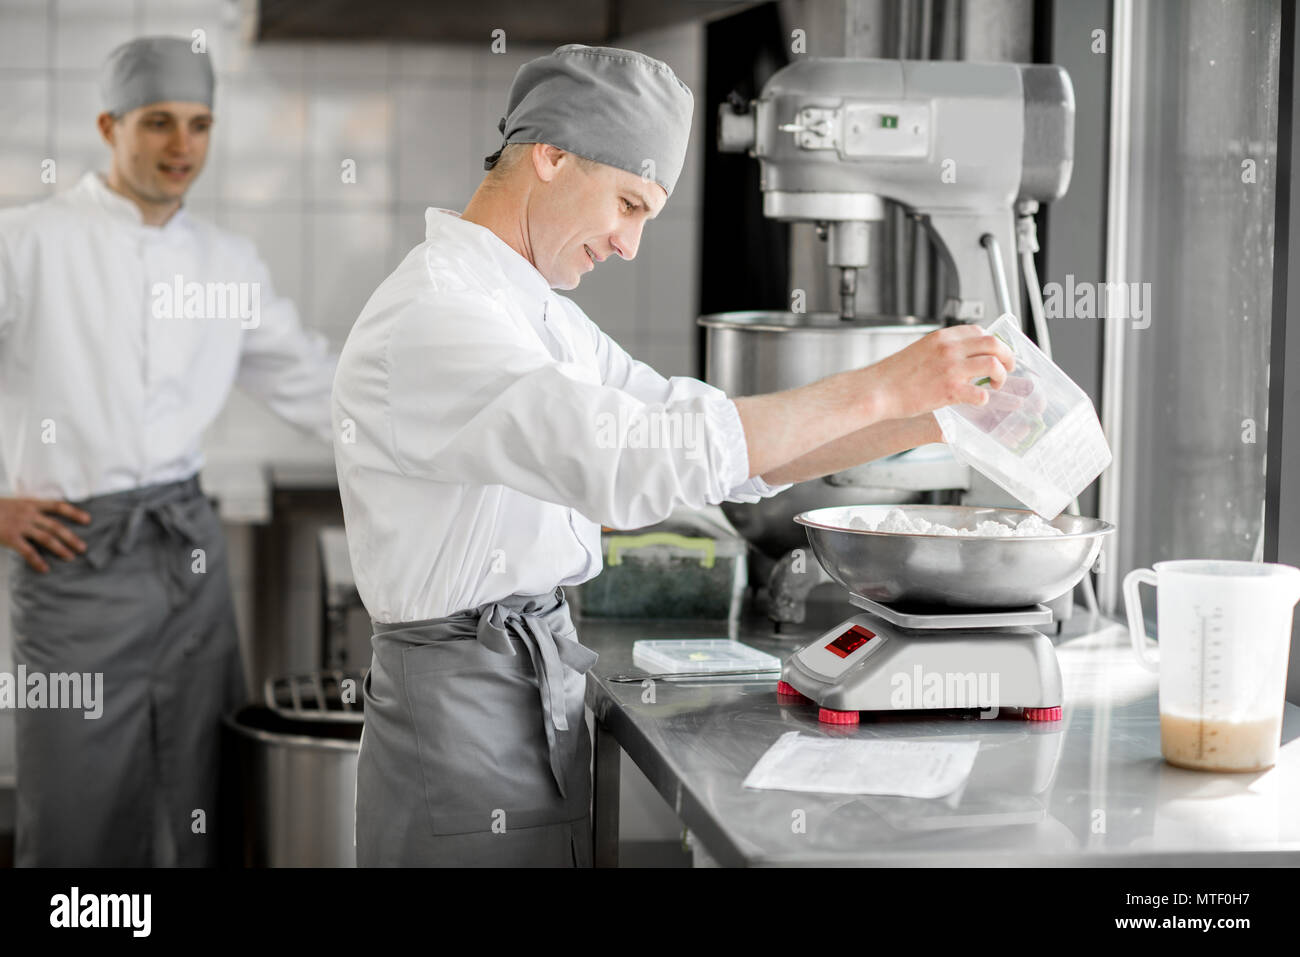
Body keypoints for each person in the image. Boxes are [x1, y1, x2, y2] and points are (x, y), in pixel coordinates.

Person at [332, 43, 1014, 867]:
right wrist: (879, 386)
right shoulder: (438, 315)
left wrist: (932, 419)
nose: (629, 244)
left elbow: (700, 433)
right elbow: (630, 461)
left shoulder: (531, 309)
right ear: (550, 155)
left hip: (524, 686)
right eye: (627, 204)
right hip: (462, 712)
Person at [0, 36, 338, 866]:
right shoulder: (27, 243)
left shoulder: (228, 263)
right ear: (109, 125)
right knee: (76, 799)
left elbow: (321, 386)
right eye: (158, 123)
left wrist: (460, 438)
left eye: (199, 124)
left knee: (195, 783)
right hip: (72, 554)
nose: (182, 146)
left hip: (188, 555)